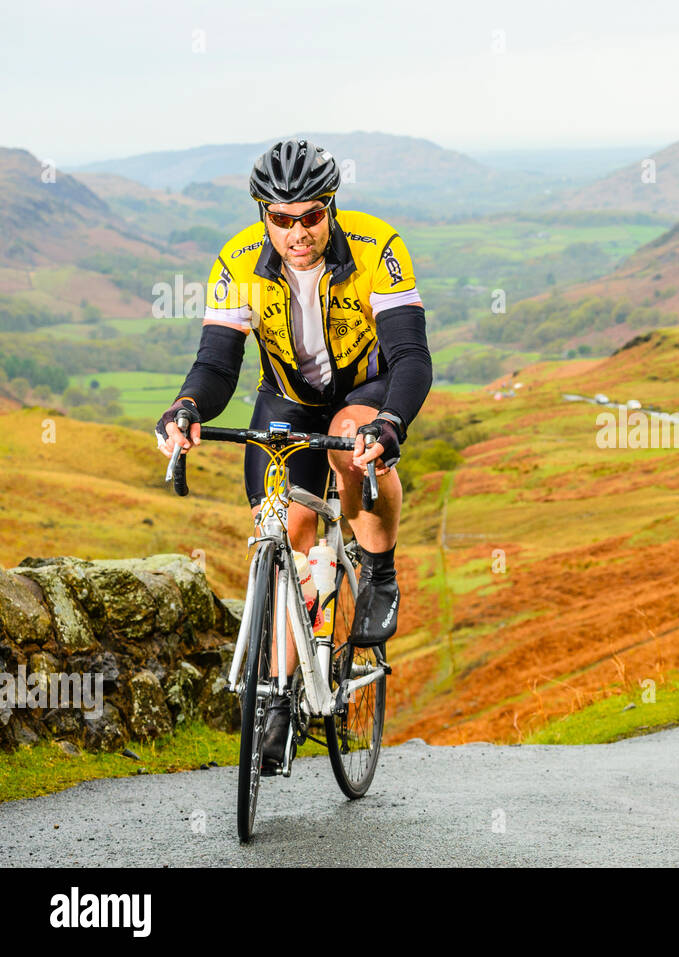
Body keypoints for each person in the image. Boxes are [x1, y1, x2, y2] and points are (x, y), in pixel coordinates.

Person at [154, 139, 432, 772]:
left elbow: (412, 357)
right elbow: (217, 364)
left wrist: (390, 425)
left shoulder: (376, 248)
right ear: (263, 217)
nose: (298, 232)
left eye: (311, 216)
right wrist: (188, 407)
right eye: (282, 219)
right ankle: (280, 695)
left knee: (351, 438)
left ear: (329, 208)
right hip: (286, 398)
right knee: (282, 530)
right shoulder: (238, 261)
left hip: (368, 388)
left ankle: (380, 569)